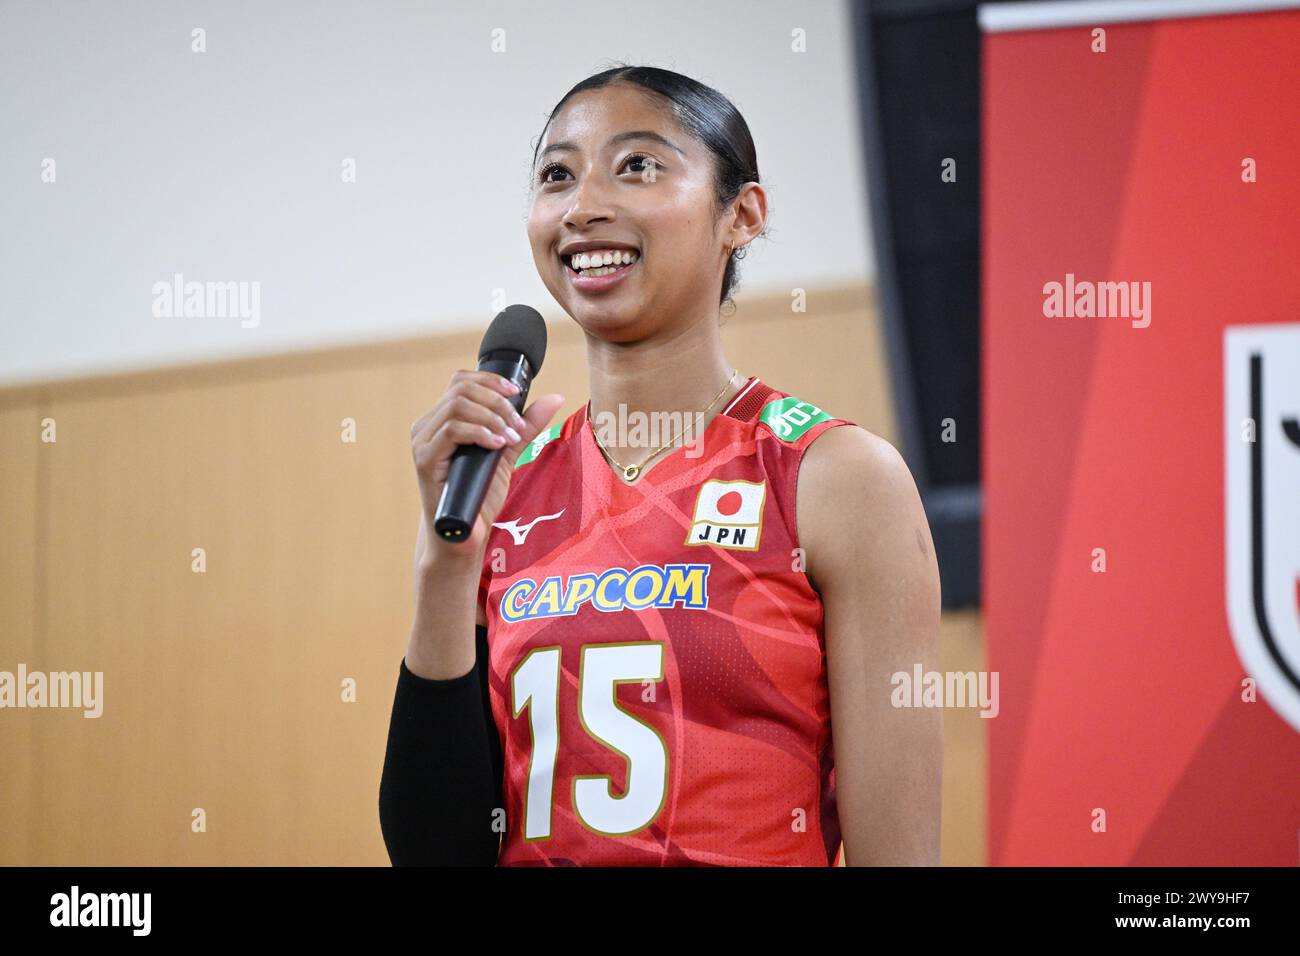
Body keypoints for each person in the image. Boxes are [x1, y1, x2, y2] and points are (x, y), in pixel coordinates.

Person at [380, 64, 941, 866]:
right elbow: (435, 853)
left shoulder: (833, 476)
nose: (584, 207)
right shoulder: (501, 486)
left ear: (740, 215)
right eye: (557, 176)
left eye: (638, 165)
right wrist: (445, 563)